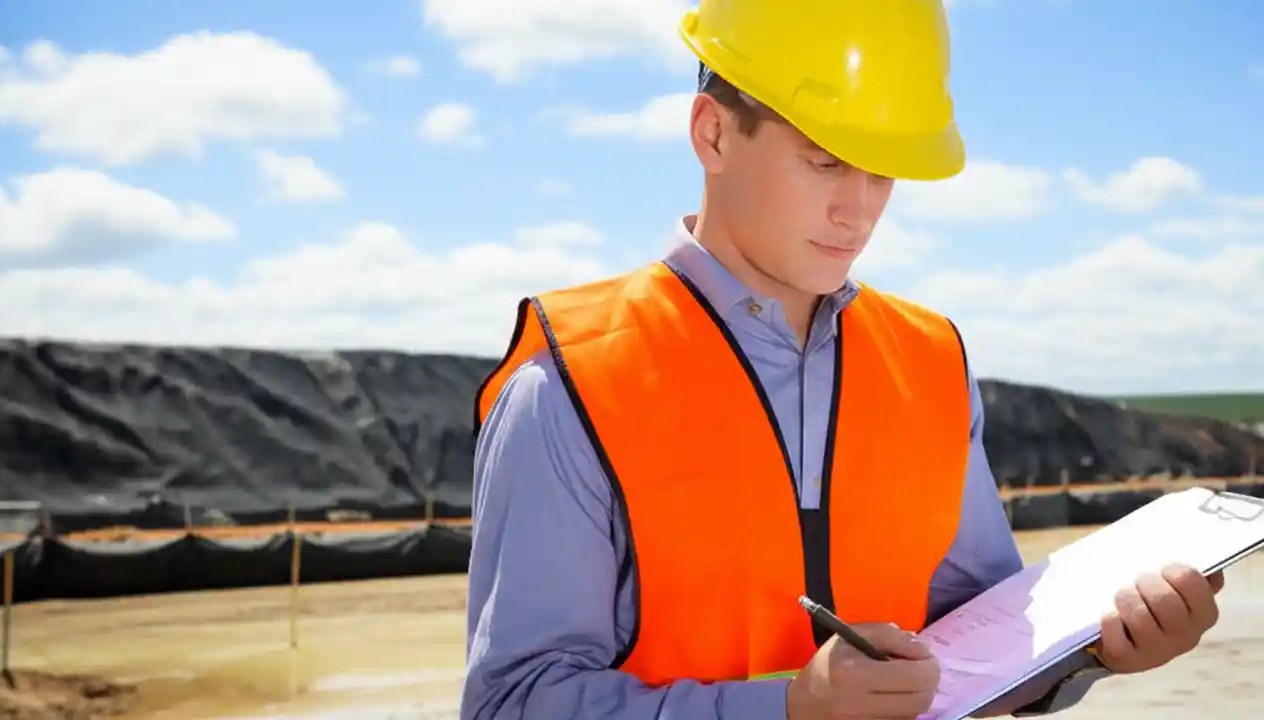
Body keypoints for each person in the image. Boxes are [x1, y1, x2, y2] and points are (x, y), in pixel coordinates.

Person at [462, 1, 1226, 718]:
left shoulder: (929, 362)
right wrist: (788, 707)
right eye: (826, 162)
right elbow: (513, 703)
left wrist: (1094, 648)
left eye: (883, 170)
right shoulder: (570, 382)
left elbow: (986, 648)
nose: (858, 211)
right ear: (714, 133)